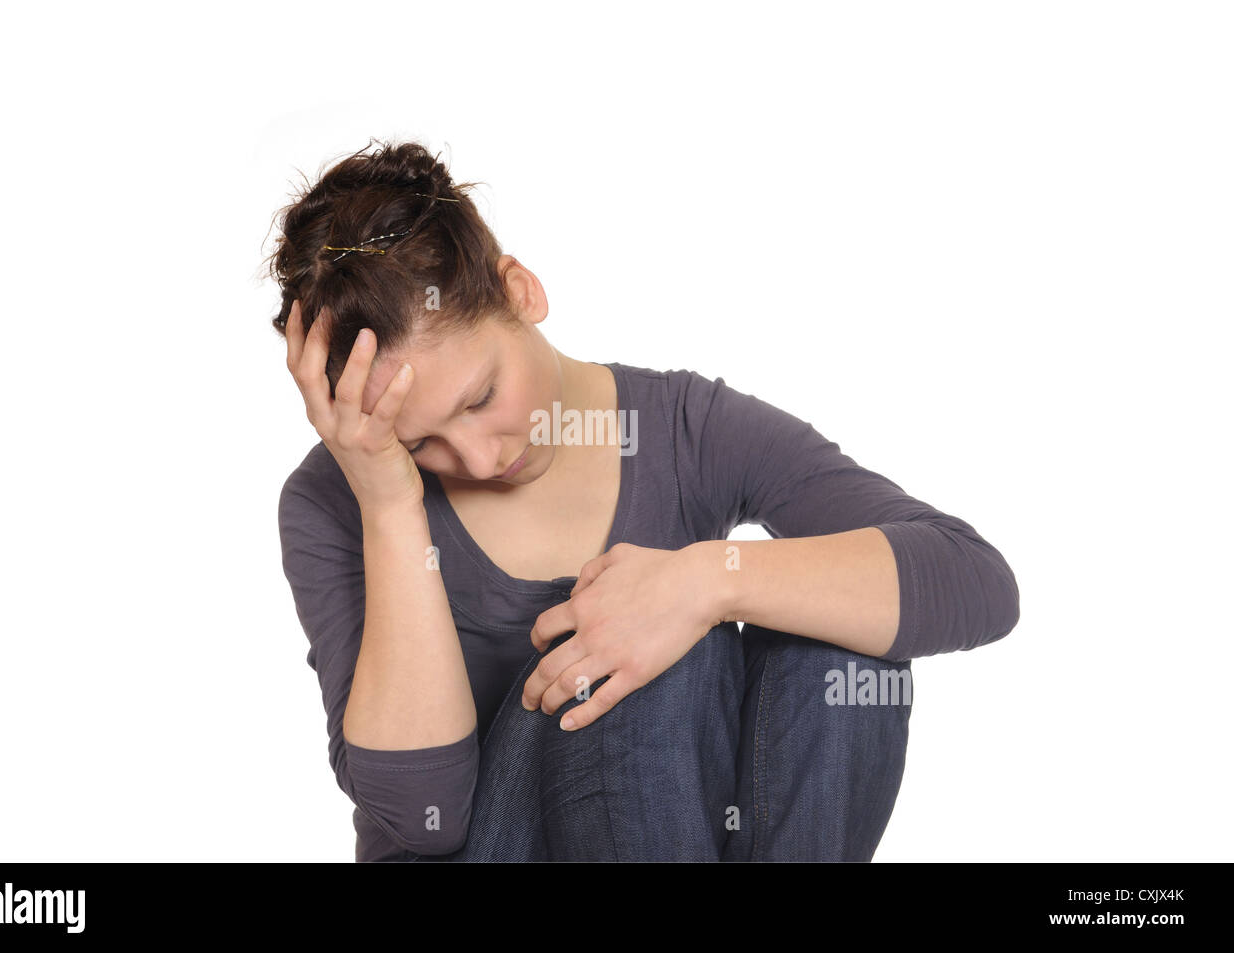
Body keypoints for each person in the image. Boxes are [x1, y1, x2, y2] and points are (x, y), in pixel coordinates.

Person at [270, 140, 1021, 862]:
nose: (480, 456)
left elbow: (976, 580)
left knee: (843, 641)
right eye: (420, 443)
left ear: (519, 290)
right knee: (642, 655)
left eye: (481, 398)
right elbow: (421, 818)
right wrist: (389, 499)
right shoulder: (333, 500)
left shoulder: (682, 428)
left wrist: (705, 580)